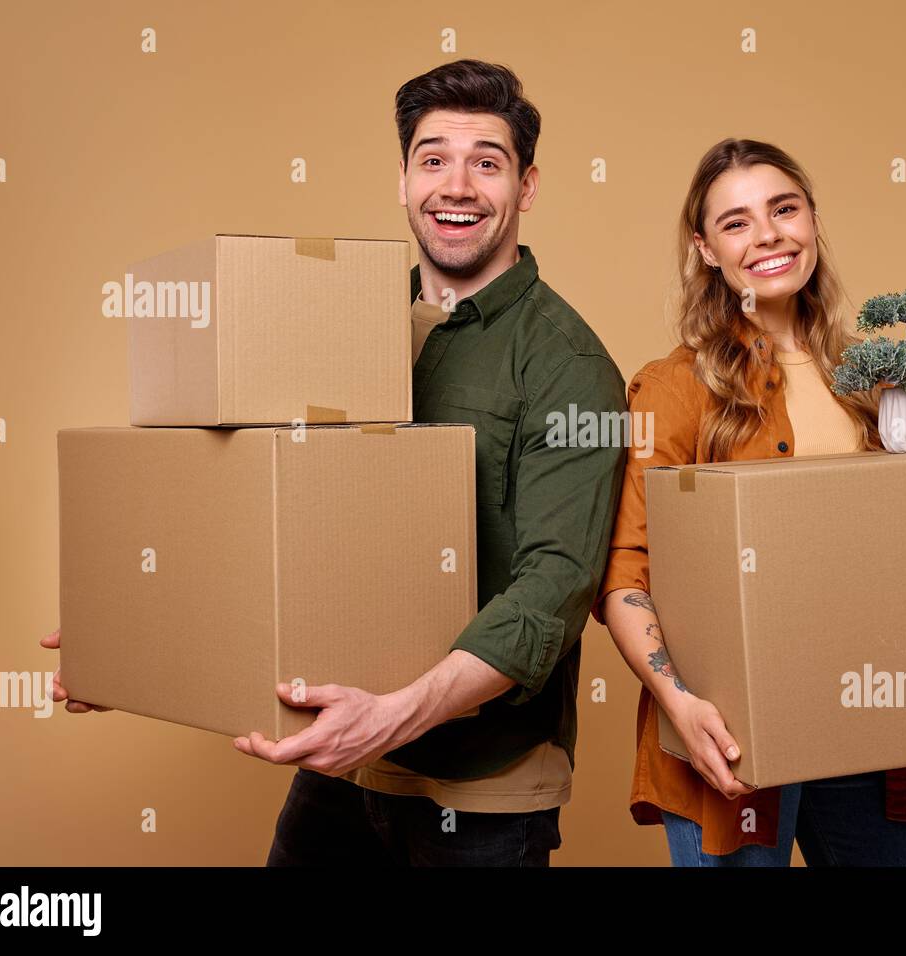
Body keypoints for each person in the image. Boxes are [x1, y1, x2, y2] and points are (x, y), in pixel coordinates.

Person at [42, 59, 628, 868]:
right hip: (344, 759)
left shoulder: (568, 365)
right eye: (433, 159)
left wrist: (396, 713)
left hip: (478, 790)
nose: (456, 186)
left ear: (526, 187)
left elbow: (554, 588)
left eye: (486, 162)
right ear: (402, 179)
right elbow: (267, 498)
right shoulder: (341, 321)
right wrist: (141, 636)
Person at [594, 138, 906, 866]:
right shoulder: (673, 388)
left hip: (868, 713)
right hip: (729, 728)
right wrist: (681, 704)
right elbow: (626, 573)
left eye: (783, 209)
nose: (767, 234)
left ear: (811, 221)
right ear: (706, 250)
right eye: (736, 222)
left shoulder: (877, 375)